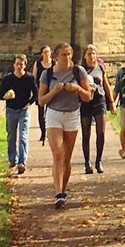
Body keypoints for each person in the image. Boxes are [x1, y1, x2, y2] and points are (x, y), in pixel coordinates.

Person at [38, 43, 93, 208]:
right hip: (54, 115)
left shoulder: (78, 71)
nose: (67, 58)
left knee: (67, 157)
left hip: (72, 115)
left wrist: (77, 88)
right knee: (58, 154)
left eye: (69, 54)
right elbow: (41, 101)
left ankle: (63, 189)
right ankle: (58, 193)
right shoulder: (47, 74)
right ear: (56, 57)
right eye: (64, 55)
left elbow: (88, 97)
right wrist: (54, 91)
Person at [0, 53, 37, 175]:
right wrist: (6, 96)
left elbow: (35, 93)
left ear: (25, 65)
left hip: (23, 110)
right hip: (11, 110)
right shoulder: (7, 79)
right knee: (11, 137)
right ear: (13, 65)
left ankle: (22, 162)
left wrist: (29, 103)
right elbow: (0, 96)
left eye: (22, 64)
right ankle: (12, 159)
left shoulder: (29, 78)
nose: (19, 66)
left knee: (23, 136)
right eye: (17, 64)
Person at [79, 43, 115, 174]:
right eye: (89, 53)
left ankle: (98, 161)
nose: (92, 56)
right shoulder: (80, 70)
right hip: (85, 102)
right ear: (84, 56)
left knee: (101, 133)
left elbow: (106, 85)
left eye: (94, 53)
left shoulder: (100, 67)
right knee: (86, 133)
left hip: (100, 101)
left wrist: (112, 102)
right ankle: (87, 163)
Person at [31, 45, 52, 145]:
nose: (47, 54)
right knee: (41, 112)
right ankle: (43, 132)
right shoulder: (38, 64)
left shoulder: (54, 63)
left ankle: (50, 132)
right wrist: (35, 90)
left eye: (48, 51)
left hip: (52, 91)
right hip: (40, 91)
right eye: (45, 52)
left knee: (50, 112)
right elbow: (34, 78)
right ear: (42, 54)